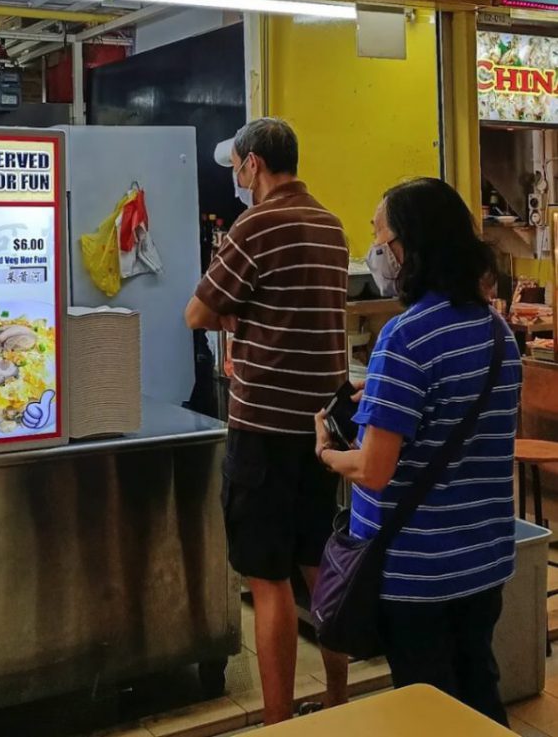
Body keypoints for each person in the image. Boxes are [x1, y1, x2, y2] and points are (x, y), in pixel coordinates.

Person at [315, 177, 521, 725]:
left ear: (413, 246)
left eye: (382, 239)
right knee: (477, 692)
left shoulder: (405, 338)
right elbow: (462, 422)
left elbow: (373, 469)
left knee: (428, 710)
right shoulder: (498, 333)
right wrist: (387, 396)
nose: (377, 253)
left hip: (417, 572)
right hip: (484, 560)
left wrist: (327, 452)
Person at [186, 119, 350, 725]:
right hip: (322, 430)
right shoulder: (331, 224)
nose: (235, 176)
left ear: (253, 164)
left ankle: (279, 721)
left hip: (263, 431)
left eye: (236, 166)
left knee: (268, 578)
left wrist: (235, 319)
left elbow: (197, 312)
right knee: (319, 563)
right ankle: (337, 700)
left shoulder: (254, 226)